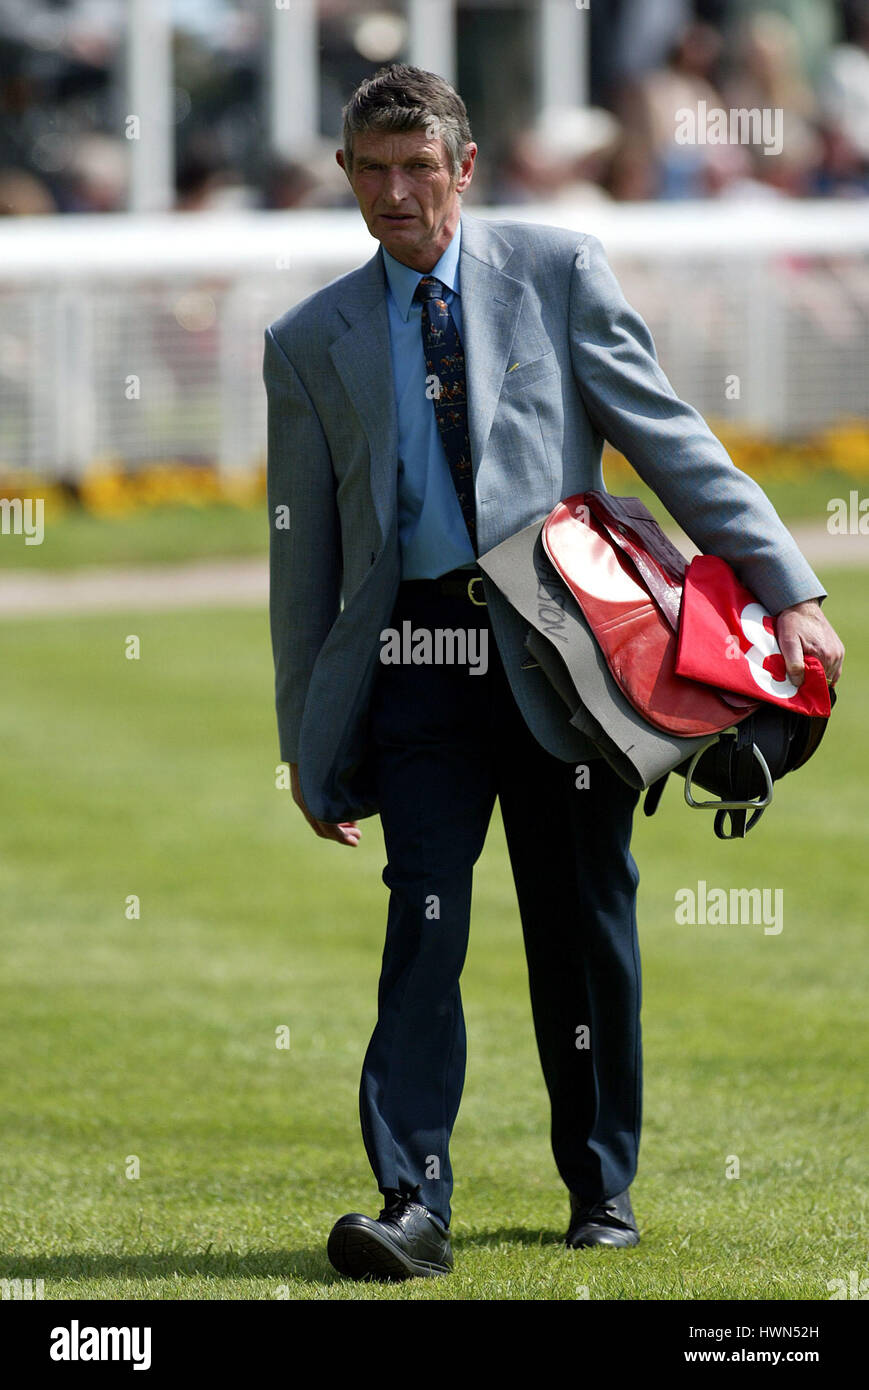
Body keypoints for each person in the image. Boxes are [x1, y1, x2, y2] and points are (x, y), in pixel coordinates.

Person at [264, 64, 843, 1282]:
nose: (394, 192)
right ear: (344, 176)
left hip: (568, 659)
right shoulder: (306, 341)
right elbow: (303, 564)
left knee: (581, 924)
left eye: (417, 167)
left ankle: (601, 1186)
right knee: (423, 920)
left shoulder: (559, 270)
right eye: (370, 170)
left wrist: (786, 589)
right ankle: (410, 1200)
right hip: (415, 666)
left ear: (463, 167)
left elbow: (666, 436)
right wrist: (307, 746)